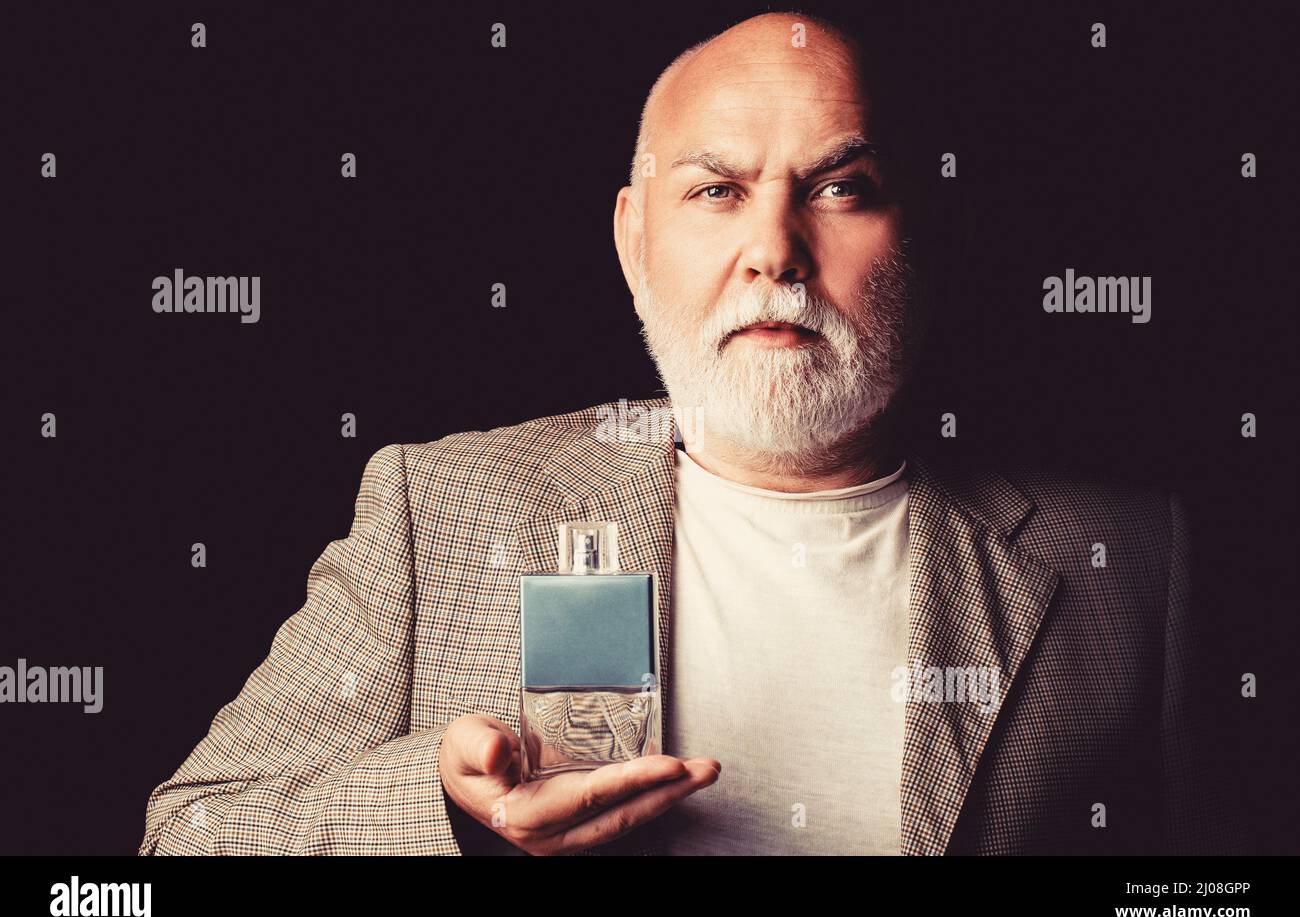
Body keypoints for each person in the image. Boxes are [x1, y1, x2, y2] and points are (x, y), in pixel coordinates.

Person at [140, 12, 1235, 856]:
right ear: (633, 244)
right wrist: (446, 812)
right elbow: (184, 838)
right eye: (716, 191)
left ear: (924, 239)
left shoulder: (1134, 561)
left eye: (841, 188)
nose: (775, 250)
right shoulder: (439, 510)